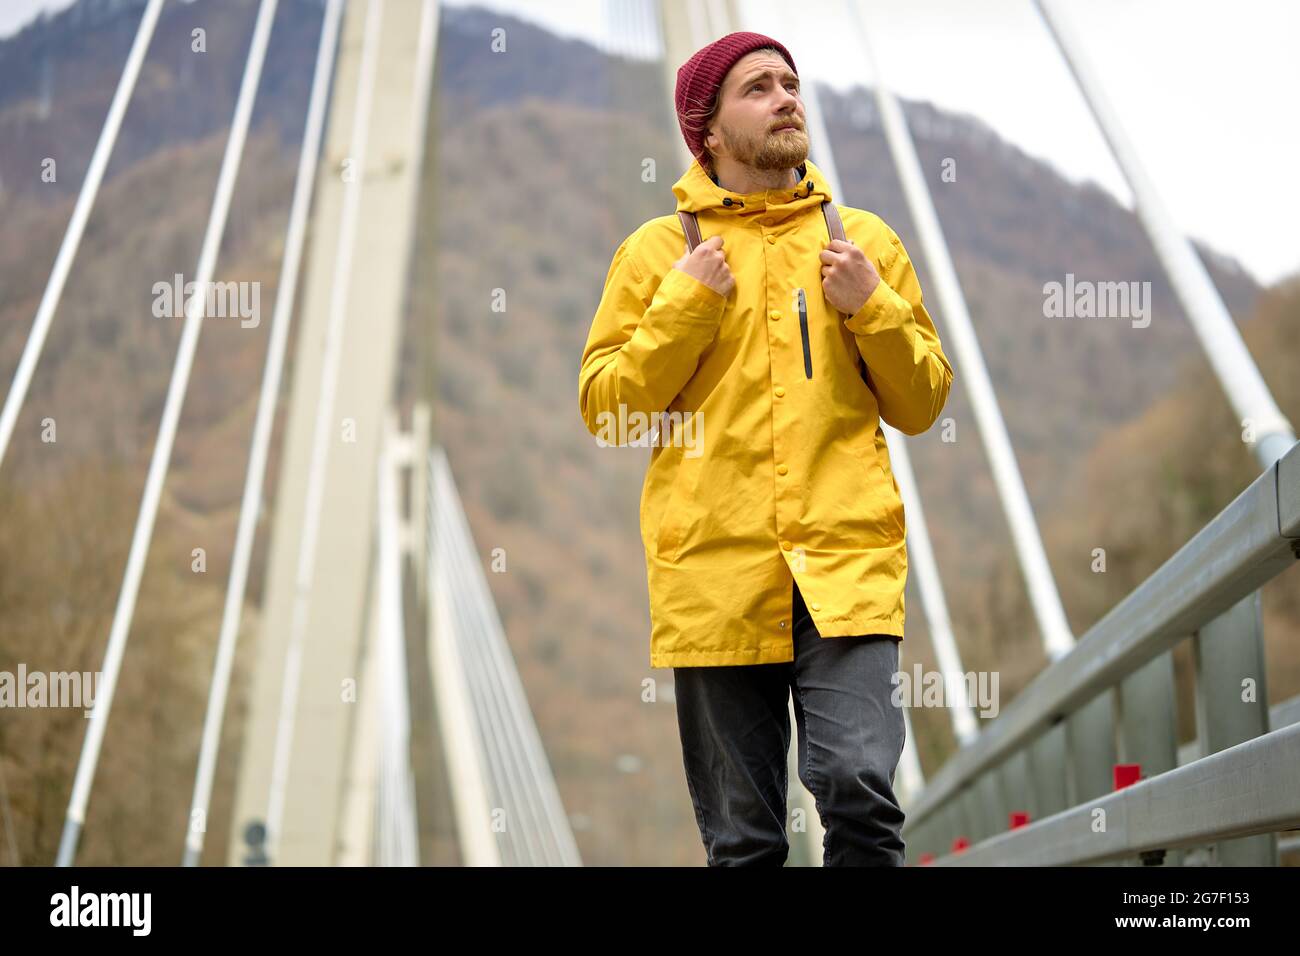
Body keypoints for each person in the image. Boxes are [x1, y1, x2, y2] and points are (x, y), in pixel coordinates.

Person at [577, 31, 954, 866]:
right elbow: (608, 409)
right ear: (705, 129)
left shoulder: (864, 243)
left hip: (844, 567)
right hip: (712, 574)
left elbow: (925, 401)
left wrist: (871, 308)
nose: (788, 98)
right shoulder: (658, 254)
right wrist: (684, 307)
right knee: (745, 841)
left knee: (859, 786)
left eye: (791, 83)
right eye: (759, 88)